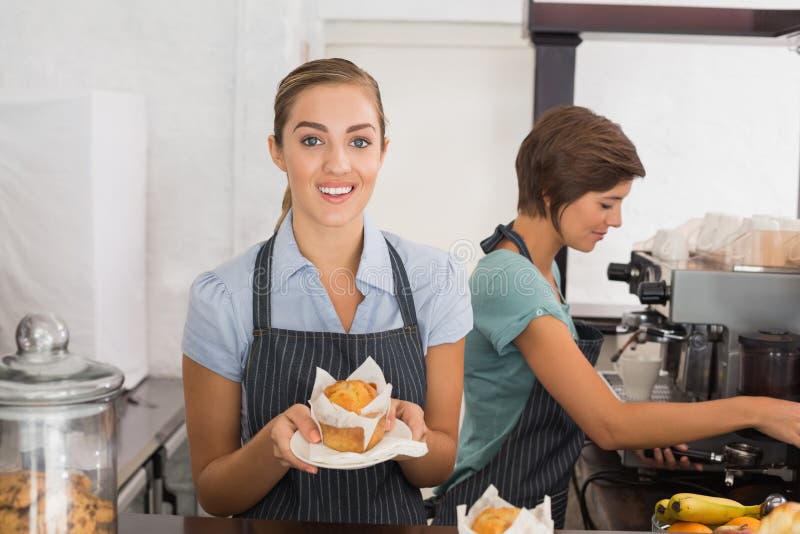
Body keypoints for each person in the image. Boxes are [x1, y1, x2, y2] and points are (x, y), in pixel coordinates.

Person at [432, 105, 800, 528]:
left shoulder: (539, 267)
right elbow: (610, 424)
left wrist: (651, 434)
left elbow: (546, 399)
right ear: (552, 189)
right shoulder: (511, 278)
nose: (617, 220)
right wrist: (759, 411)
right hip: (492, 505)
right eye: (607, 203)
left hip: (523, 499)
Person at [181, 58, 471, 524]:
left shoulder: (435, 279)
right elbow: (215, 493)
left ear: (382, 152)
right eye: (312, 140)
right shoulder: (223, 296)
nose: (338, 164)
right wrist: (271, 448)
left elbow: (439, 464)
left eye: (359, 141)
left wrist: (400, 433)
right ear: (277, 151)